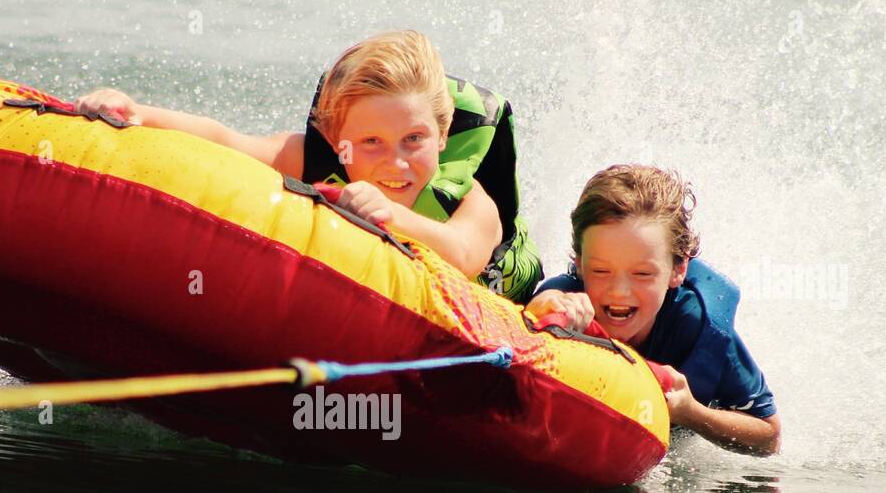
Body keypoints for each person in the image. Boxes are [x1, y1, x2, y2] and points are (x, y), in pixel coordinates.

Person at [75, 30, 542, 301]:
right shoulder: (312, 158)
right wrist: (138, 113)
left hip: (501, 293)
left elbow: (462, 255)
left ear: (442, 135)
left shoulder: (473, 198)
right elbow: (223, 139)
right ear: (338, 141)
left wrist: (388, 212)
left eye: (414, 139)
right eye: (371, 142)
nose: (396, 161)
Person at [526, 165, 780, 454]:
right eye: (600, 270)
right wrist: (538, 311)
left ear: (678, 269)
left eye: (642, 274)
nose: (619, 291)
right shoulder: (564, 301)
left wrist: (691, 413)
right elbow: (525, 328)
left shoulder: (696, 327)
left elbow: (769, 435)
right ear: (580, 263)